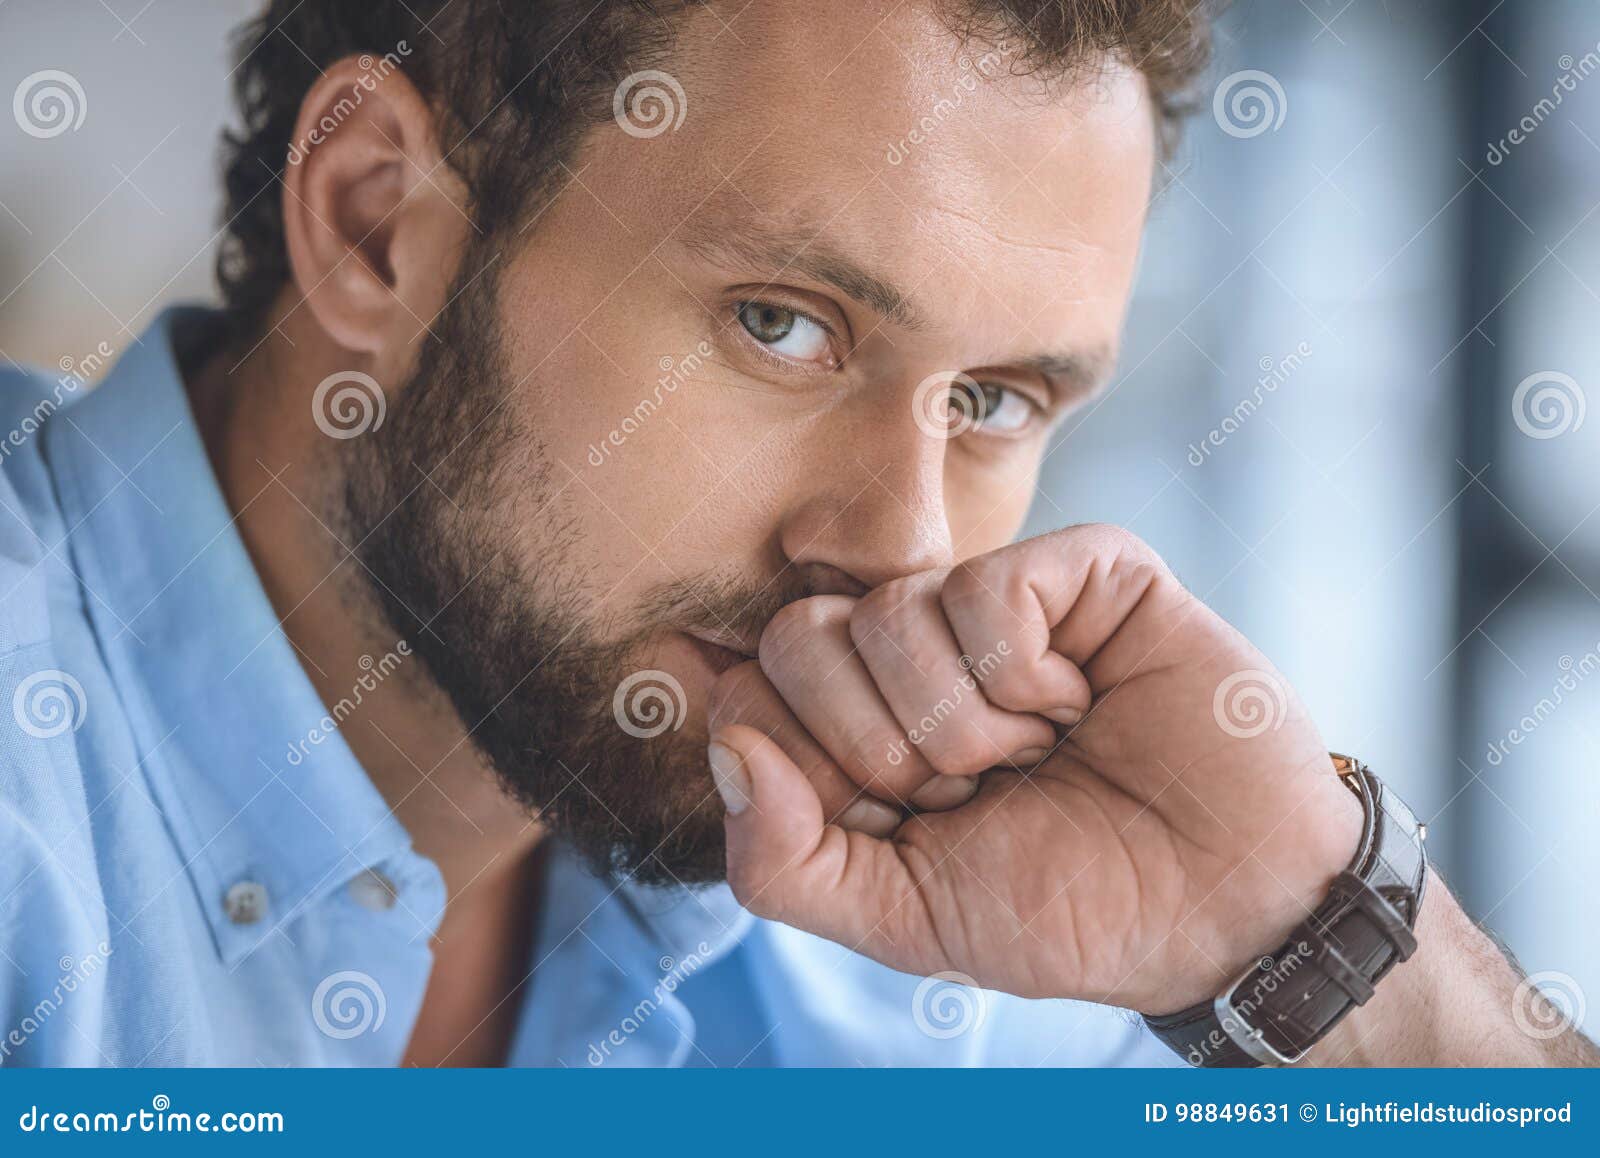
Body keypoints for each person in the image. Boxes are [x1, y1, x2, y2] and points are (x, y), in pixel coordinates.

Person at [0, 0, 1592, 1068]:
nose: (900, 542)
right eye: (783, 323)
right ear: (374, 222)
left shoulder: (943, 929)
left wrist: (1314, 933)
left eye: (997, 401)